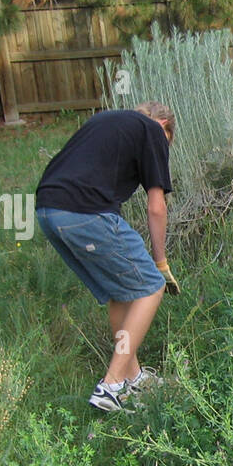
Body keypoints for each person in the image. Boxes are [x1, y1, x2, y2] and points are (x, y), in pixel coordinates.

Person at [35, 102, 180, 413]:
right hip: (85, 213)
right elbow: (156, 207)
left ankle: (134, 378)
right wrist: (161, 262)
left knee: (121, 293)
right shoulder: (153, 131)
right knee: (151, 286)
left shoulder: (105, 122)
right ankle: (111, 386)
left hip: (48, 210)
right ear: (164, 125)